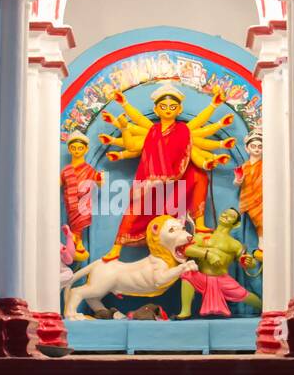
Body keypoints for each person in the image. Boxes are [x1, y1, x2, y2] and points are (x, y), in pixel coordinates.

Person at [99, 82, 234, 259]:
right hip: (149, 181)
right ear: (156, 110)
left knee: (199, 176)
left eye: (173, 106)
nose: (168, 110)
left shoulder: (184, 130)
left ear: (179, 109)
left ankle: (198, 223)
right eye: (163, 106)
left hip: (176, 181)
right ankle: (116, 249)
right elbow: (131, 145)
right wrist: (124, 127)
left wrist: (209, 161)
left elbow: (195, 146)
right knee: (133, 211)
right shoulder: (150, 131)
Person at [59, 132, 102, 261]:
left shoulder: (89, 169)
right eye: (74, 148)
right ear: (69, 149)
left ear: (86, 149)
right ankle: (76, 243)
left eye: (80, 148)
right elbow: (58, 183)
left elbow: (99, 183)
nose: (77, 151)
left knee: (80, 223)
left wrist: (100, 178)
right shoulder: (66, 170)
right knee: (73, 224)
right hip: (71, 203)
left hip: (84, 204)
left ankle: (78, 242)